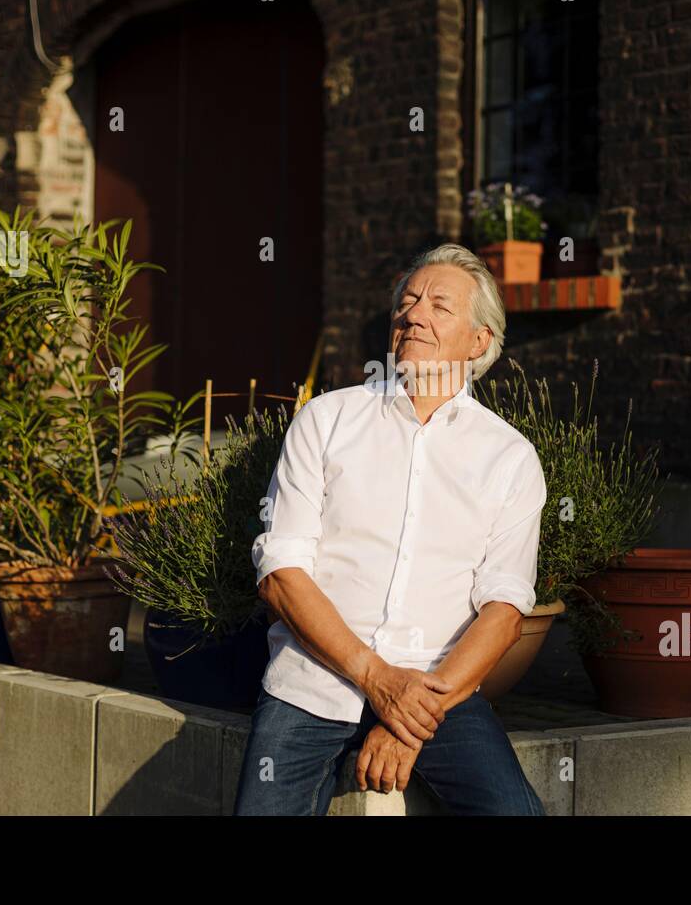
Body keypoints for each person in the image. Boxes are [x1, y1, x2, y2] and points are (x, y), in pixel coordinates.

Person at [232, 243, 548, 816]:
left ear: (479, 342)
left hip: (440, 694)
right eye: (407, 302)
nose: (413, 314)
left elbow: (504, 611)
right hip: (313, 683)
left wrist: (409, 722)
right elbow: (280, 575)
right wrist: (377, 679)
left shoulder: (510, 457)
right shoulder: (326, 420)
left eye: (439, 305)